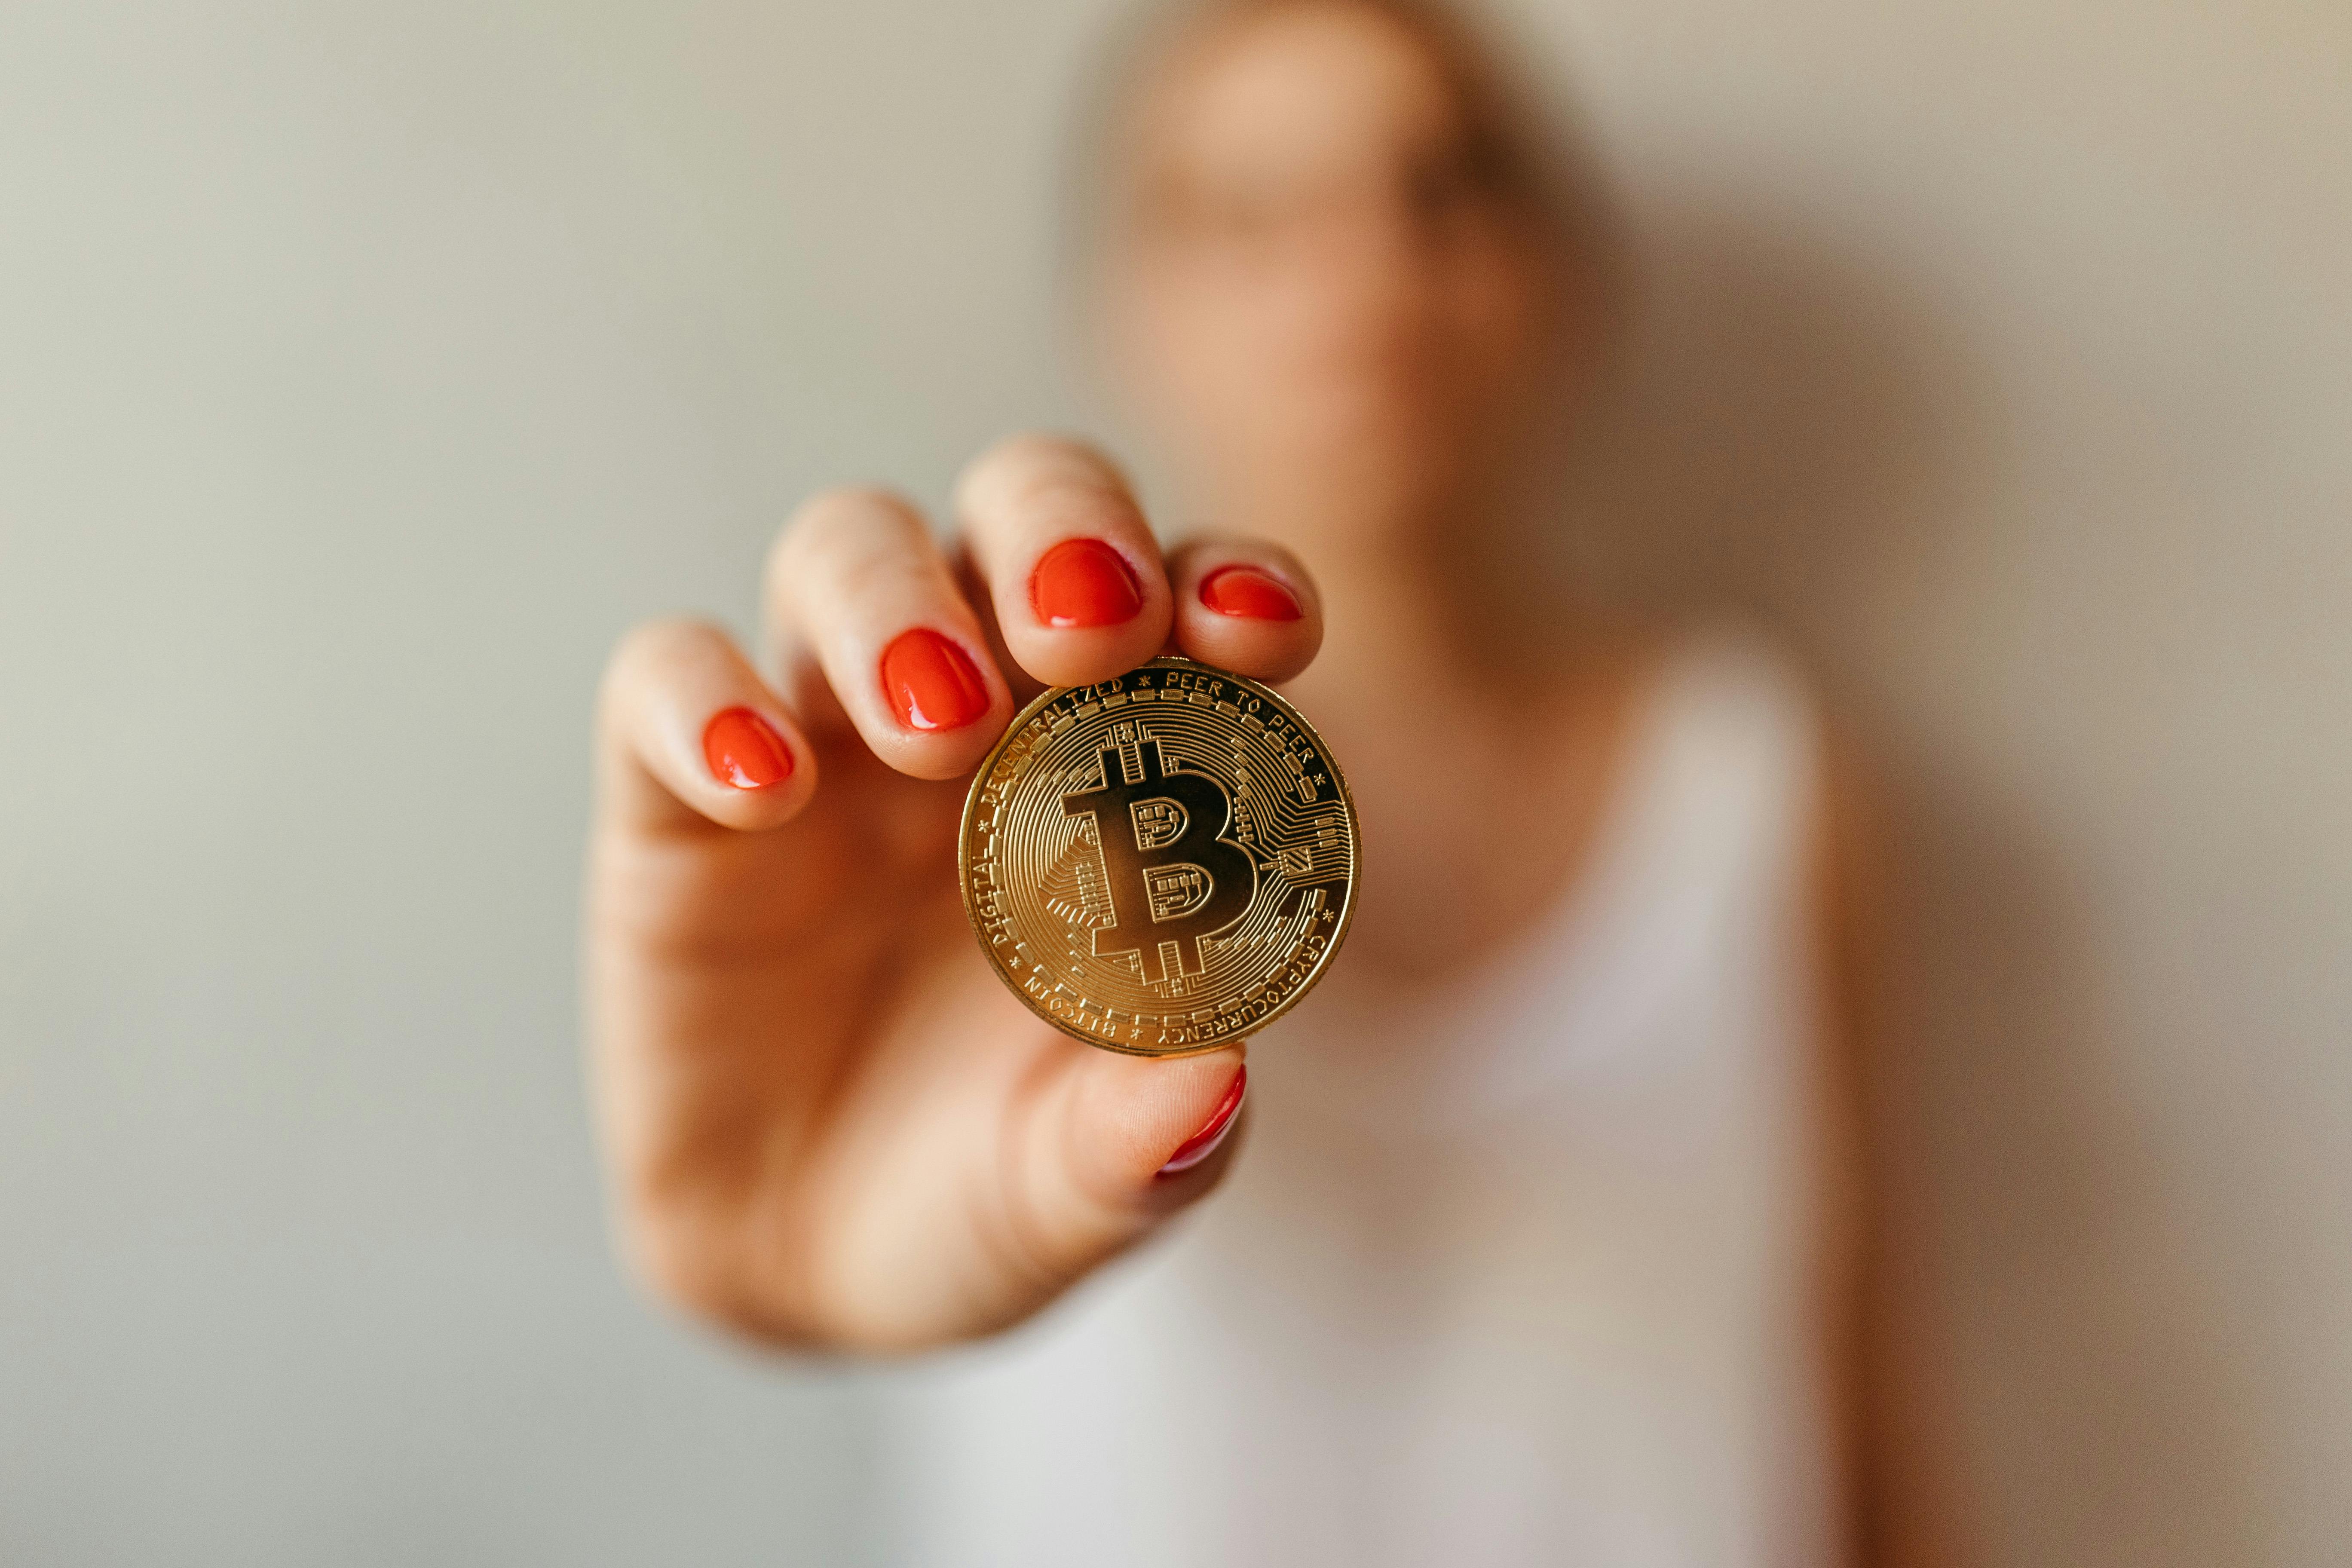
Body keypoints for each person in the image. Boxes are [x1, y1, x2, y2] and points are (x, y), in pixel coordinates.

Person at [584, 0, 1948, 1561]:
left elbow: (1862, 1401)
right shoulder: (979, 820)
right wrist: (780, 1254)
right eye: (1247, 211)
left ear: (1562, 273)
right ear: (1121, 306)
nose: (1364, 274)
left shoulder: (1759, 778)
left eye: (1443, 187)